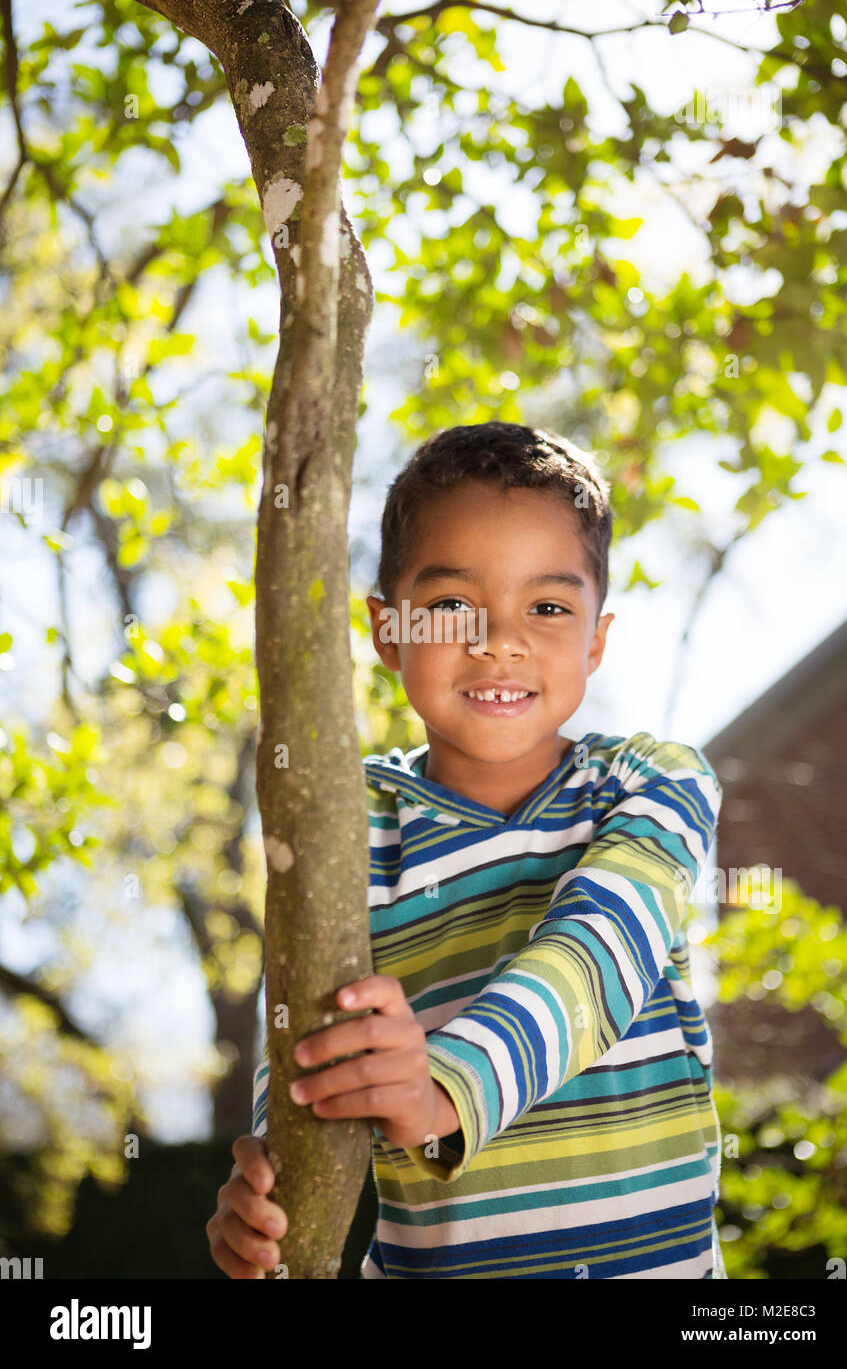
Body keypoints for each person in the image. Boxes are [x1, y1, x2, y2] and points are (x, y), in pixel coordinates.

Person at [206, 421, 727, 1279]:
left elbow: (596, 952)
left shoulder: (652, 784)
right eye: (452, 605)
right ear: (386, 629)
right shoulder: (346, 822)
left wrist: (441, 1090)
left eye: (549, 607)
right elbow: (304, 1037)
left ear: (596, 638)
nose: (500, 639)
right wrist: (267, 1188)